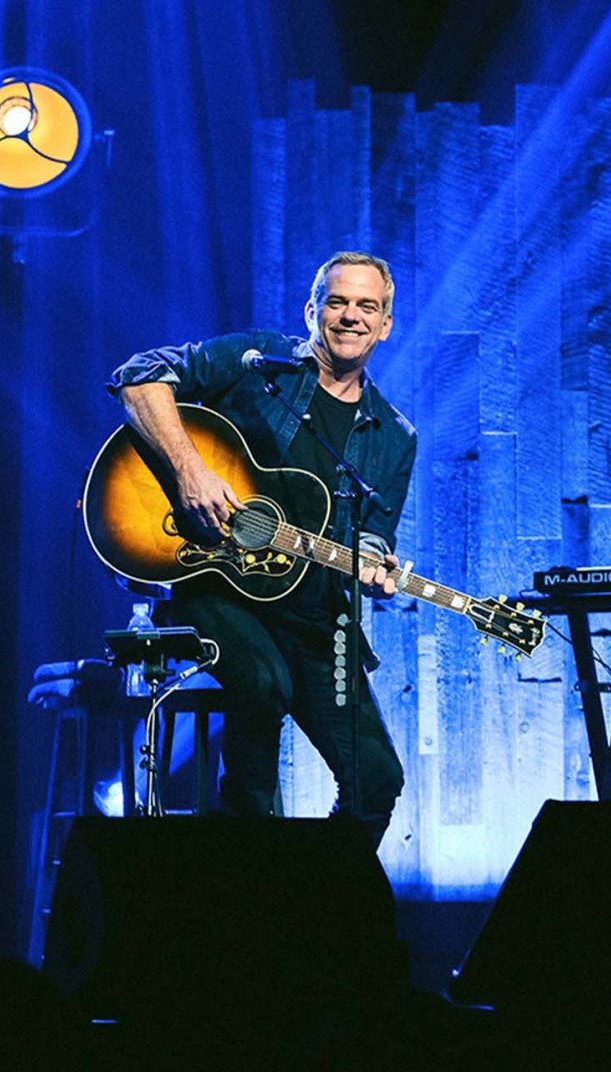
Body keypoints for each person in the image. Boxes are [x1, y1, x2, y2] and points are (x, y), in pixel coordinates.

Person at [107, 252, 417, 848]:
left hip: (314, 620)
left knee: (377, 779)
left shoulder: (395, 435)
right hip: (214, 586)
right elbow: (138, 376)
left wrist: (375, 567)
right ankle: (246, 865)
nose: (350, 316)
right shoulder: (255, 364)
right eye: (337, 301)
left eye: (367, 307)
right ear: (312, 311)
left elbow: (373, 536)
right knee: (262, 684)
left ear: (385, 325)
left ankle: (312, 901)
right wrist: (190, 470)